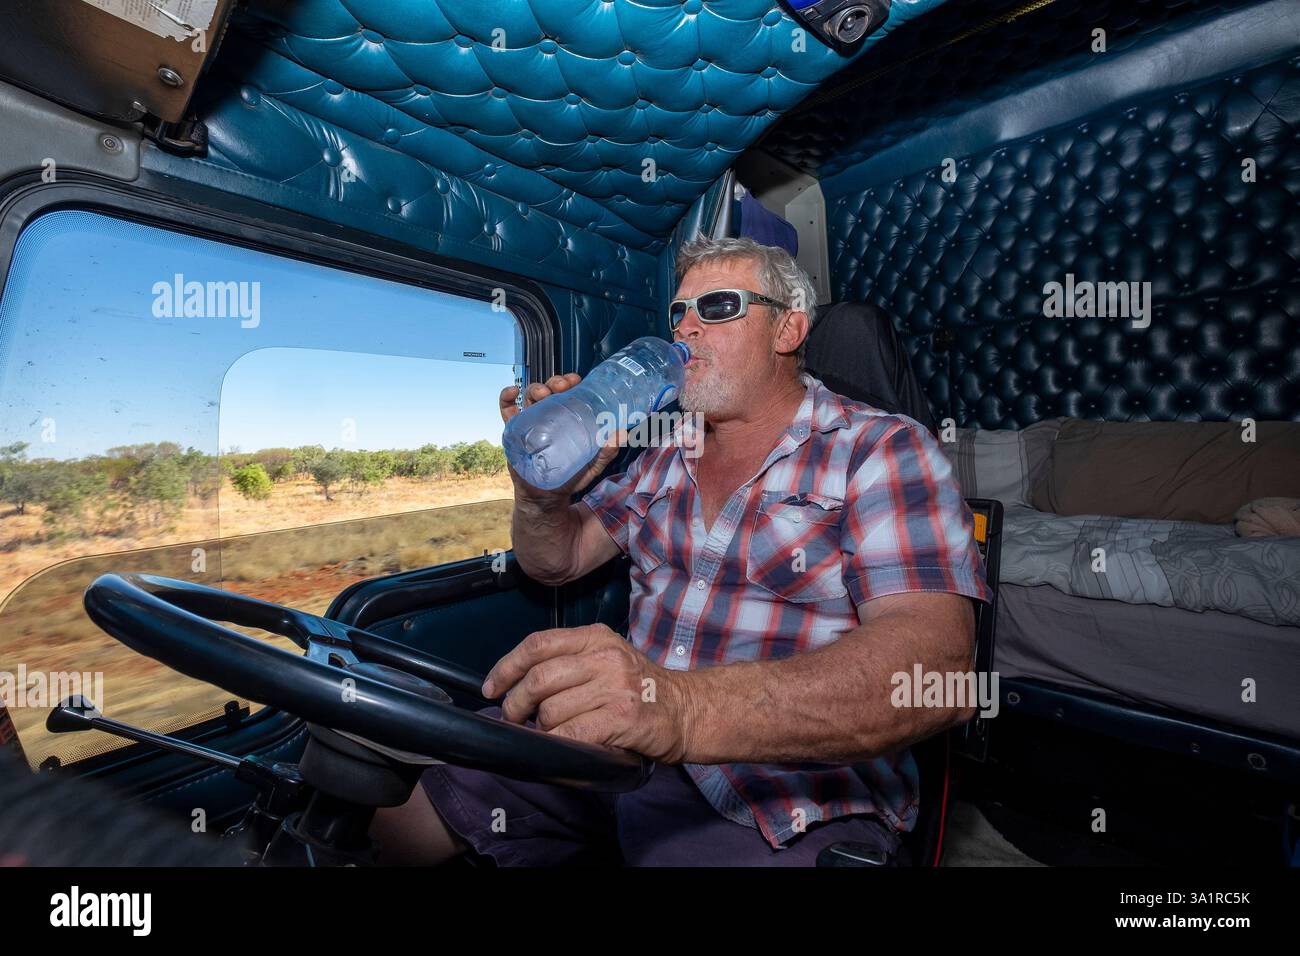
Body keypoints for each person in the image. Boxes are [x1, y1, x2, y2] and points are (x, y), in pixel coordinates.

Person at [370, 236, 991, 866]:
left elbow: (934, 675)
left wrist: (679, 708)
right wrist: (539, 494)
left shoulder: (880, 451)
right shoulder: (664, 454)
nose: (686, 328)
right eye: (678, 312)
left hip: (779, 797)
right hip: (615, 752)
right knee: (403, 818)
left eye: (717, 307)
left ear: (788, 329)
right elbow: (553, 560)